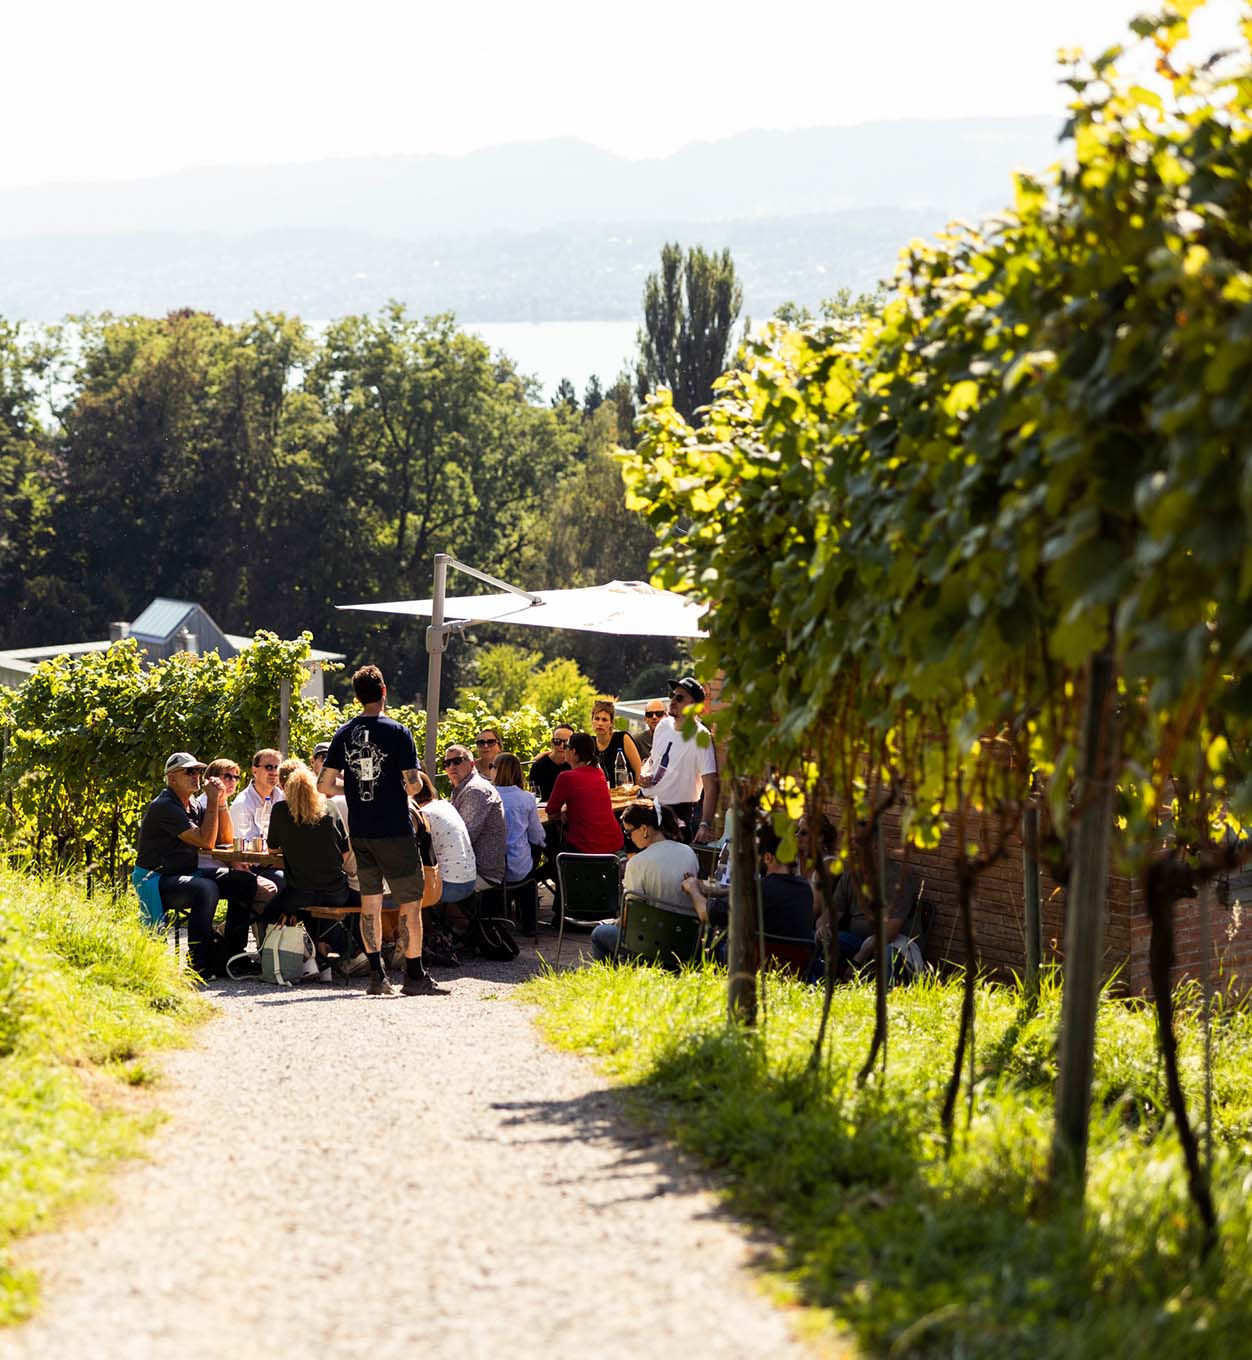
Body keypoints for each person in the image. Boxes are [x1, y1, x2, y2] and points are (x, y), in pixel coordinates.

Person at [318, 664, 446, 998]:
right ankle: (415, 977)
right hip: (394, 830)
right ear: (384, 691)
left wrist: (360, 784)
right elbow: (415, 785)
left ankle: (378, 977)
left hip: (360, 831)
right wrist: (393, 787)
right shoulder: (398, 731)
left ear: (357, 696)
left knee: (369, 904)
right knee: (410, 905)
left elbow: (324, 784)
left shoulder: (344, 733)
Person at [134, 752, 255, 979]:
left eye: (199, 770)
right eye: (189, 771)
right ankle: (199, 963)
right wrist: (211, 800)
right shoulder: (165, 806)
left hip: (185, 873)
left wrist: (220, 801)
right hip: (156, 878)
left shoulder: (191, 805)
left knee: (244, 882)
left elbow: (224, 840)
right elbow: (205, 841)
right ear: (171, 778)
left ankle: (232, 955)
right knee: (204, 888)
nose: (196, 775)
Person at [267, 761, 360, 981]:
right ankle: (333, 956)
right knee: (319, 911)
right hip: (336, 891)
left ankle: (293, 960)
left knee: (268, 911)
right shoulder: (329, 808)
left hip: (298, 893)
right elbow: (345, 854)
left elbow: (272, 848)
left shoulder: (280, 810)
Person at [590, 801, 699, 961]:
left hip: (650, 943)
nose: (628, 838)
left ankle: (613, 982)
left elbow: (631, 915)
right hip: (686, 941)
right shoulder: (688, 852)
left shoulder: (637, 862)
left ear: (644, 829)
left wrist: (618, 922)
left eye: (628, 832)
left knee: (599, 934)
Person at [682, 821, 816, 941]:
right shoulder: (805, 890)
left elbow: (707, 914)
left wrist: (692, 888)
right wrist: (715, 891)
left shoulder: (760, 890)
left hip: (756, 964)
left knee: (709, 933)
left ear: (768, 858)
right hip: (793, 966)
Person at [197, 757, 279, 930]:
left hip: (226, 865)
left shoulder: (222, 802)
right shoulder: (205, 804)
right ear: (211, 779)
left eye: (236, 777)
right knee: (264, 888)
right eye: (227, 776)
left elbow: (228, 842)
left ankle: (236, 938)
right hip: (208, 866)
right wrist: (236, 862)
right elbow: (216, 844)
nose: (232, 781)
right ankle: (249, 943)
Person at [638, 676, 720, 845]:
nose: (673, 701)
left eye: (680, 698)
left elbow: (712, 786)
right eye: (672, 695)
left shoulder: (701, 737)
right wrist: (643, 773)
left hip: (675, 814)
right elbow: (653, 760)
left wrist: (705, 825)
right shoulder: (663, 725)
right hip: (647, 804)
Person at [491, 751, 546, 930]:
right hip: (519, 865)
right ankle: (529, 923)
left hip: (493, 868)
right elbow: (537, 835)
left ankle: (500, 913)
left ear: (497, 771)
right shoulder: (526, 799)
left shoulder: (488, 796)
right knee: (533, 857)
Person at [546, 732, 624, 856]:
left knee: (550, 846)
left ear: (573, 751)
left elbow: (551, 811)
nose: (563, 748)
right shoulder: (599, 772)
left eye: (566, 746)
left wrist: (566, 813)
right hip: (614, 842)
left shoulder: (566, 777)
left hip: (587, 847)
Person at [444, 744, 507, 888]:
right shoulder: (461, 788)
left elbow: (464, 837)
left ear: (472, 764)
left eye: (457, 761)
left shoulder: (476, 790)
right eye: (447, 763)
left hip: (482, 871)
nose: (451, 766)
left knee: (424, 886)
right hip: (468, 866)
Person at [229, 747, 285, 843]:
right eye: (269, 767)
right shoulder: (242, 804)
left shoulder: (284, 797)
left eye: (277, 768)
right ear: (254, 771)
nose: (274, 772)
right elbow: (247, 843)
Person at [590, 697, 642, 786]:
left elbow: (638, 770)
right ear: (592, 720)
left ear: (611, 723)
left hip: (626, 793)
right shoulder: (590, 743)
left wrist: (638, 794)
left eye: (604, 720)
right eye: (597, 718)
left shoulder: (622, 738)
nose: (600, 723)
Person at [529, 725, 573, 801]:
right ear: (552, 742)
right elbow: (534, 794)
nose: (562, 746)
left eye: (566, 742)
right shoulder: (538, 766)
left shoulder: (575, 765)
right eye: (557, 742)